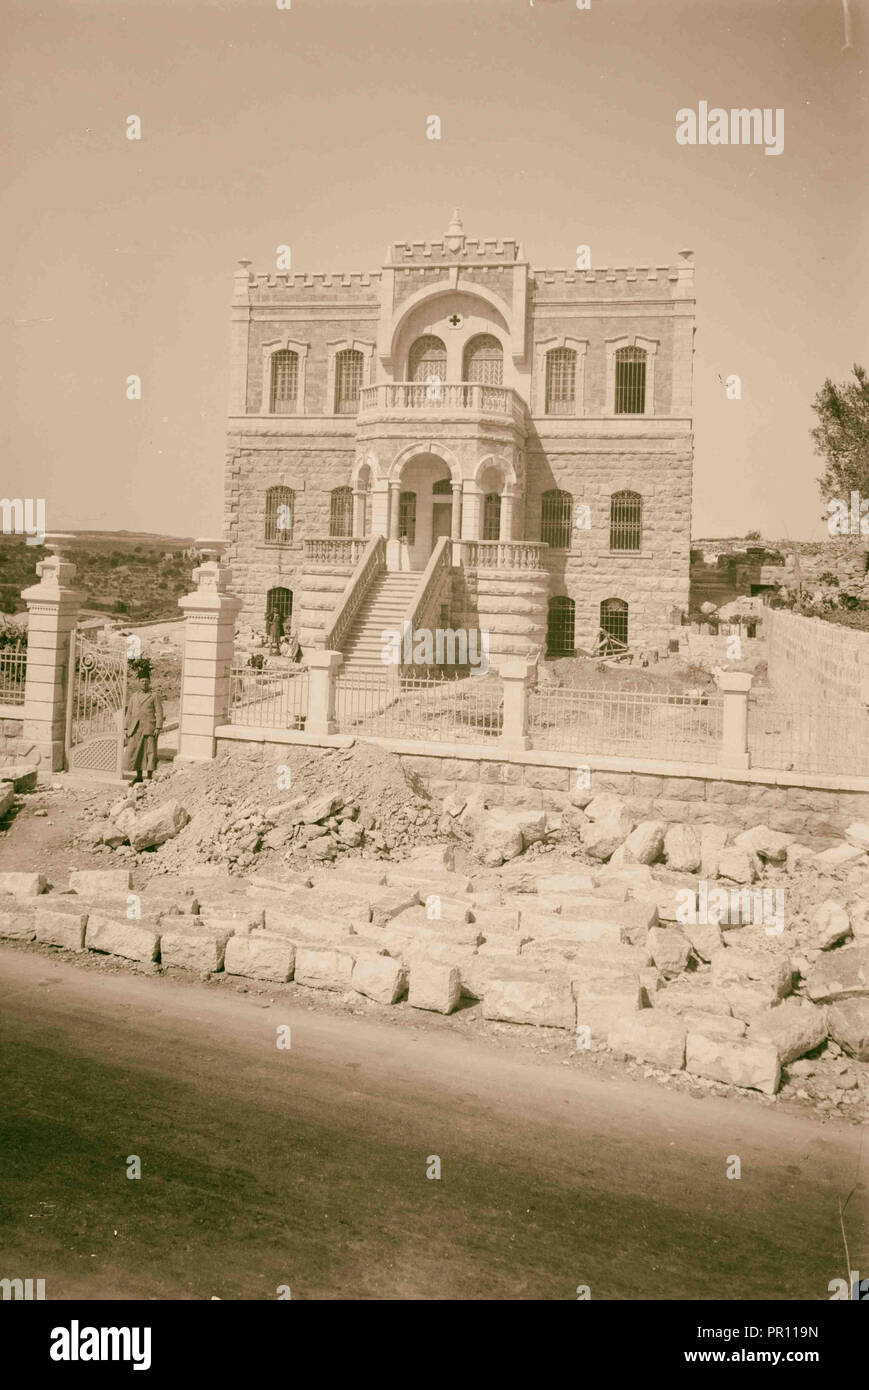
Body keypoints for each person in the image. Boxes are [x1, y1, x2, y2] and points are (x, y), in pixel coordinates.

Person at [123, 674, 164, 783]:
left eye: (146, 681)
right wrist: (126, 728)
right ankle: (139, 776)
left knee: (149, 752)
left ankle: (149, 776)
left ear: (149, 682)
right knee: (136, 752)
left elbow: (159, 712)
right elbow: (129, 713)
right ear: (138, 682)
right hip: (135, 728)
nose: (144, 683)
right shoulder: (134, 696)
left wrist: (158, 727)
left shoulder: (154, 696)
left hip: (149, 728)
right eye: (142, 681)